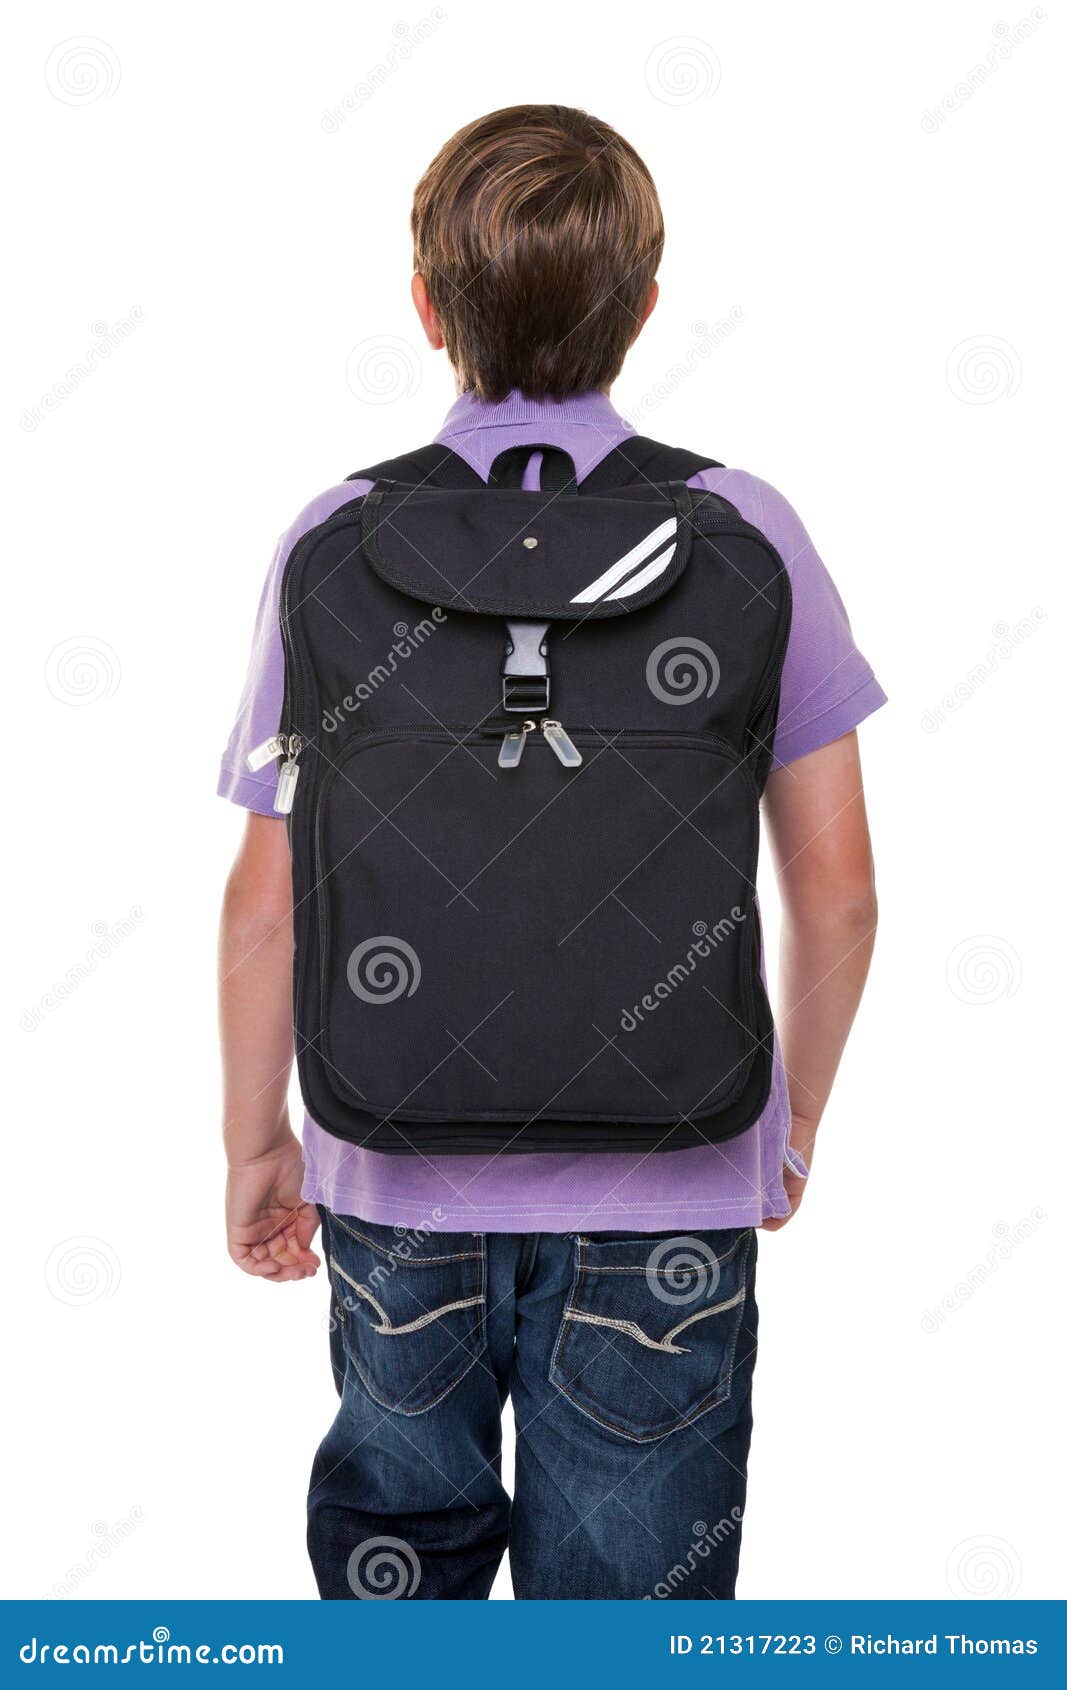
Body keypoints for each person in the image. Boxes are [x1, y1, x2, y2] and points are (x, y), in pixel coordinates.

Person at [217, 104, 883, 1600]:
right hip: (676, 1182)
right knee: (630, 1625)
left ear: (425, 307)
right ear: (645, 307)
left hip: (393, 1174)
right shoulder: (747, 530)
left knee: (405, 1616)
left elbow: (267, 907)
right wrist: (792, 1119)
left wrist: (260, 1141)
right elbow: (838, 894)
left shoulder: (335, 534)